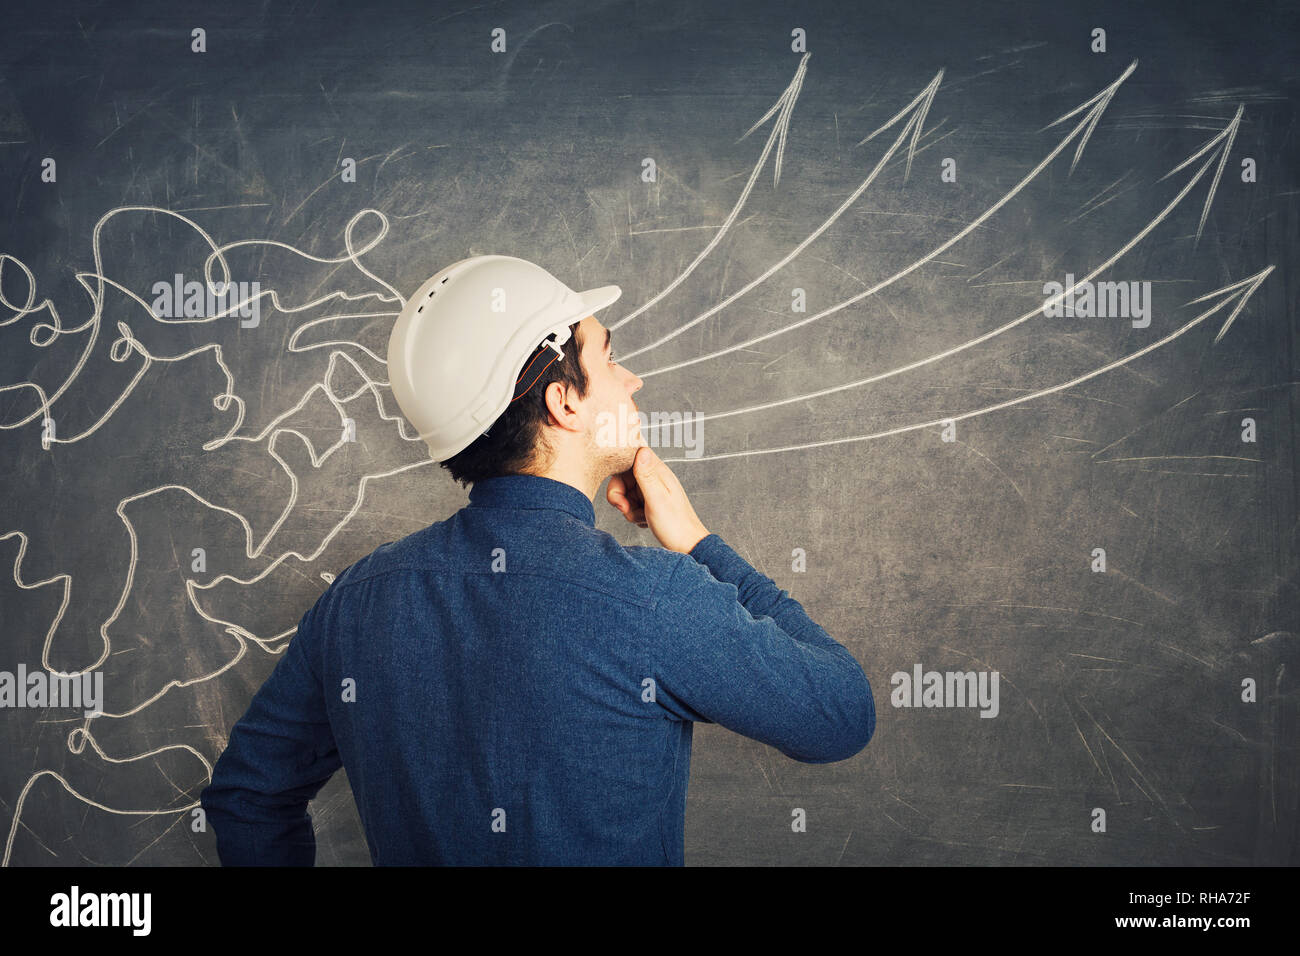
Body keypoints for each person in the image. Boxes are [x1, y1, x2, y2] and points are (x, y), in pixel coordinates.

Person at [200, 255, 875, 865]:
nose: (632, 378)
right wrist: (700, 544)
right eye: (609, 359)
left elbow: (247, 796)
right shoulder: (654, 597)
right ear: (564, 401)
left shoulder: (358, 599)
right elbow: (841, 714)